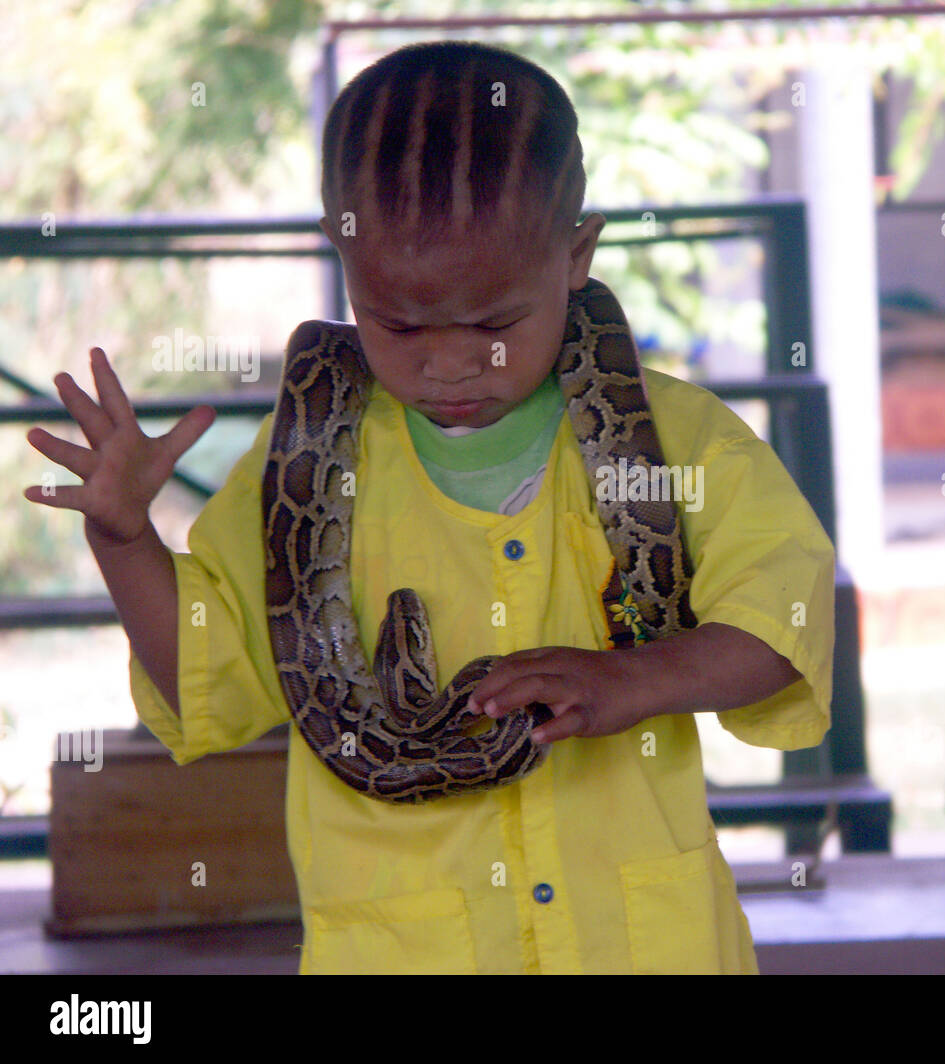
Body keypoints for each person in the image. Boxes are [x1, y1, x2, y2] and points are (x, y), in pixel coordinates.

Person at [24, 40, 835, 974]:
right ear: (344, 265)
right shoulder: (299, 464)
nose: (449, 364)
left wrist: (634, 680)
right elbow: (207, 679)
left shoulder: (684, 440)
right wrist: (125, 541)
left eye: (494, 326)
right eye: (399, 325)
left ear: (576, 257)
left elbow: (788, 623)